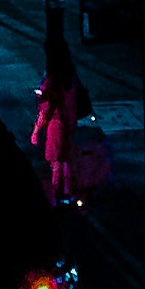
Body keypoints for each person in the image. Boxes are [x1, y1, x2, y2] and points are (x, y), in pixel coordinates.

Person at [31, 29, 93, 206]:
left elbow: (47, 106)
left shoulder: (53, 78)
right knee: (64, 157)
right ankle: (68, 191)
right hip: (69, 119)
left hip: (57, 123)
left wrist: (36, 130)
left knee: (56, 160)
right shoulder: (69, 73)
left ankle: (59, 194)